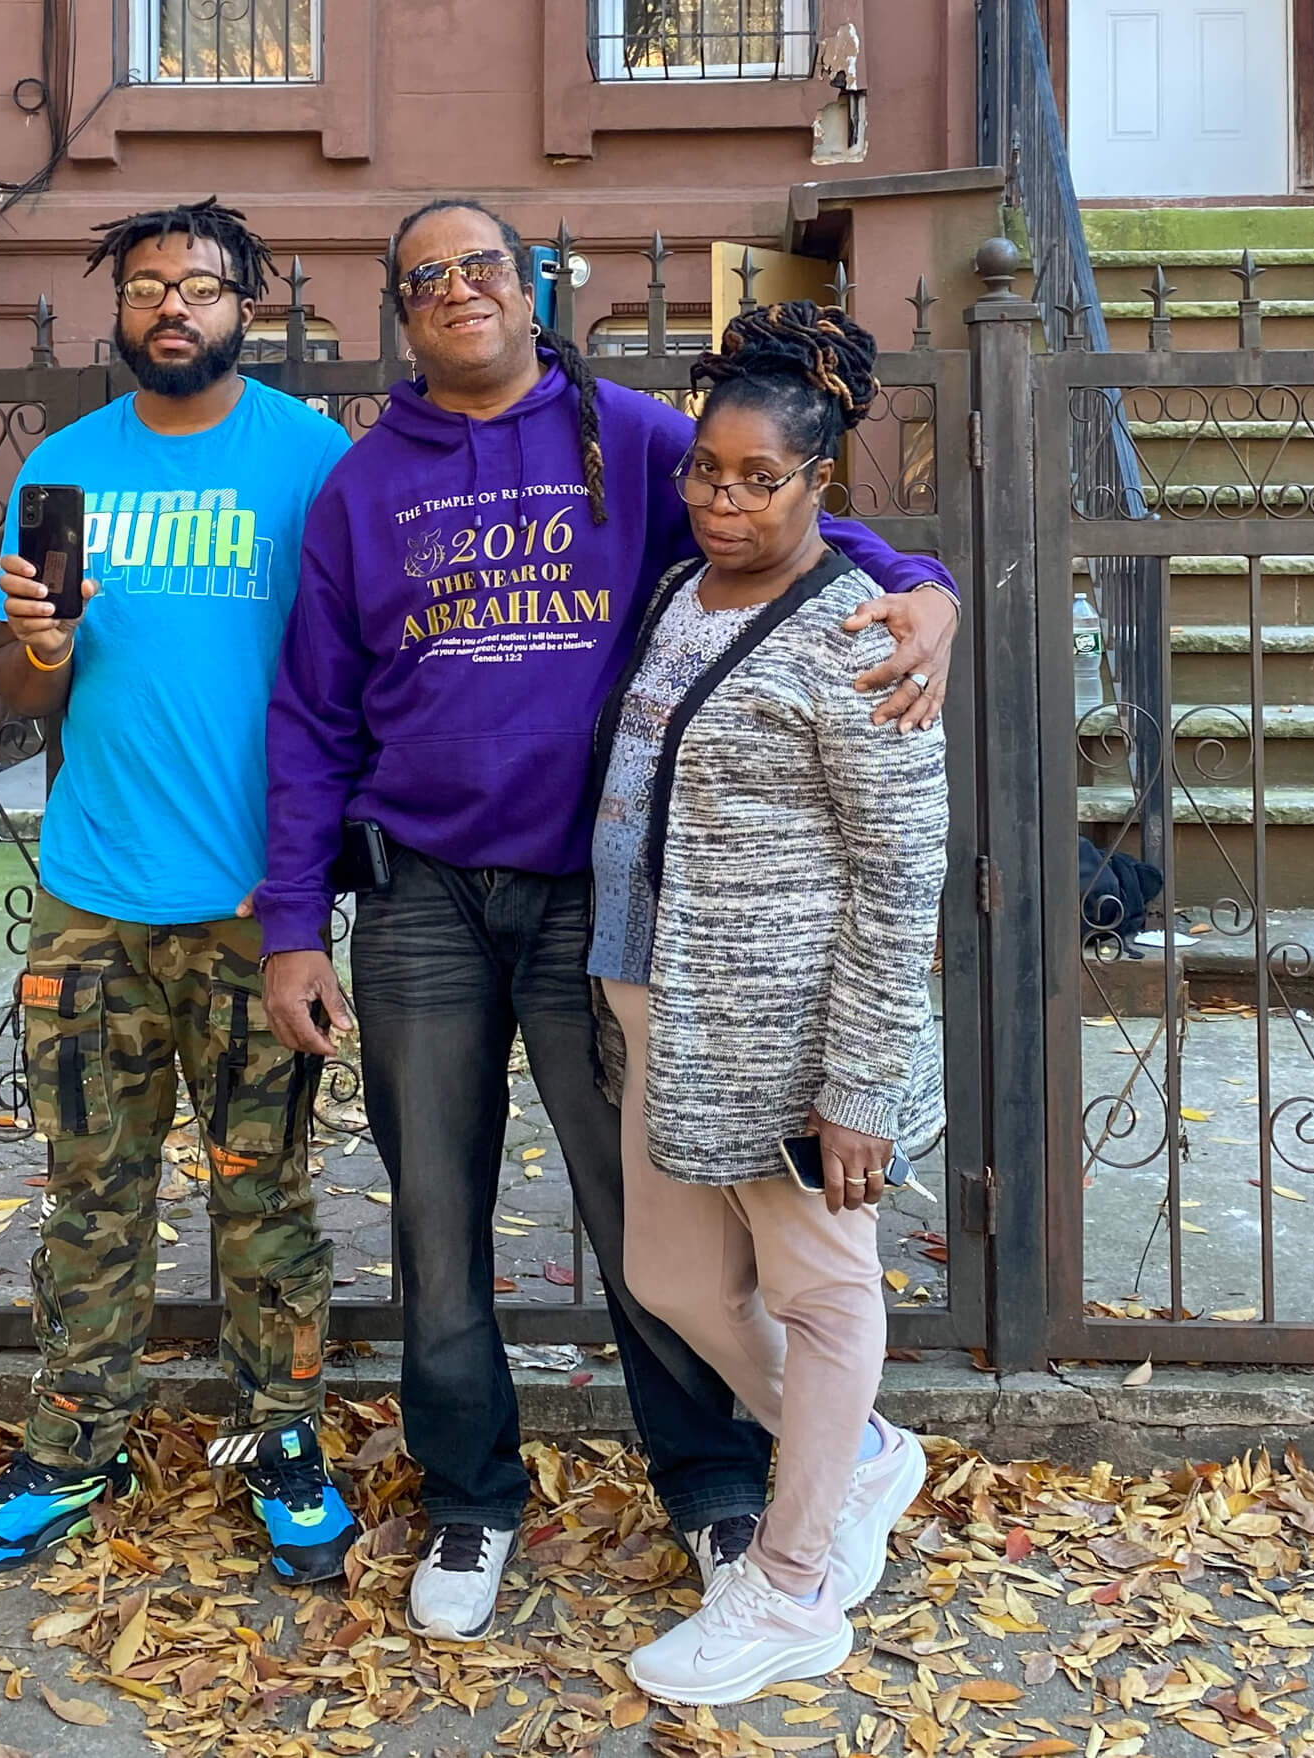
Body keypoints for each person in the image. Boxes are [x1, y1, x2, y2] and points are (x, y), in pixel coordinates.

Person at [256, 199, 958, 1642]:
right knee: (434, 1209)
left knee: (643, 1211)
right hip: (420, 896)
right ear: (401, 310)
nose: (459, 289)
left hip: (595, 896)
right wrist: (291, 922)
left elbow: (780, 517)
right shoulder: (361, 486)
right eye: (427, 276)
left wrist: (923, 587)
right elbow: (313, 714)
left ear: (532, 288)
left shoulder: (632, 435)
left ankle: (711, 1479)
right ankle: (471, 1495)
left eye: (483, 266)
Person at [0, 199, 361, 1584]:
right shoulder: (64, 467)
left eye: (201, 284)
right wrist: (41, 643)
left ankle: (280, 1442)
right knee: (90, 1193)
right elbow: (20, 689)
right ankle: (75, 1447)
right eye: (147, 286)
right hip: (94, 897)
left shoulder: (309, 459)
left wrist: (309, 889)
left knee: (265, 1196)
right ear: (118, 310)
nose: (173, 305)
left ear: (249, 304)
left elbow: (353, 668)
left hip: (251, 905)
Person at [603, 303, 949, 1703]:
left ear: (820, 482)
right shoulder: (684, 592)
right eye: (706, 470)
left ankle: (794, 1584)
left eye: (759, 478)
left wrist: (860, 1087)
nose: (723, 499)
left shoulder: (862, 634)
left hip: (791, 1034)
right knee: (672, 1278)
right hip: (664, 1007)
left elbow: (902, 874)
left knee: (821, 1292)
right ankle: (858, 1453)